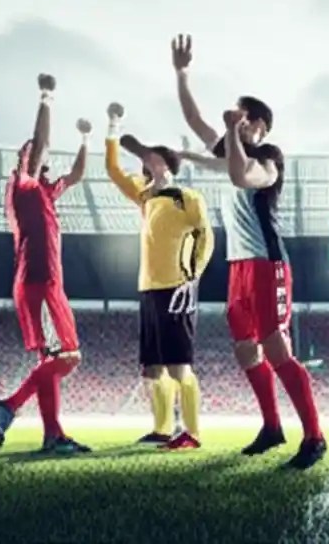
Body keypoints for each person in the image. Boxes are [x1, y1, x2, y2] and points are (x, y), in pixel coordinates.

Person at [170, 34, 326, 469]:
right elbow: (196, 119)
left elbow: (241, 176)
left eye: (244, 119)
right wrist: (182, 74)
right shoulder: (232, 146)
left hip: (266, 264)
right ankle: (272, 427)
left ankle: (315, 436)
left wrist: (233, 134)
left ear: (259, 126)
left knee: (277, 349)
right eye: (236, 118)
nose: (235, 125)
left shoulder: (270, 158)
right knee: (244, 349)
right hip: (237, 264)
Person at [0, 73, 92, 455]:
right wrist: (47, 98)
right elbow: (43, 145)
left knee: (56, 360)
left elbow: (78, 174)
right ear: (25, 162)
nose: (43, 161)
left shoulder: (45, 193)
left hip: (46, 283)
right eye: (35, 157)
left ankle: (49, 433)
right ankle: (16, 408)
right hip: (39, 280)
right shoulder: (23, 186)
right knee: (67, 356)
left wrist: (85, 139)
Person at [104, 102, 214, 450]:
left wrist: (192, 276)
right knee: (152, 368)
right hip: (149, 289)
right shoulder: (145, 197)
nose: (144, 162)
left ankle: (192, 433)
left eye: (150, 158)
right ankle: (162, 428)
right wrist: (113, 125)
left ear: (165, 164)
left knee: (179, 365)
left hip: (176, 289)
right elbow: (112, 168)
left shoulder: (187, 198)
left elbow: (206, 237)